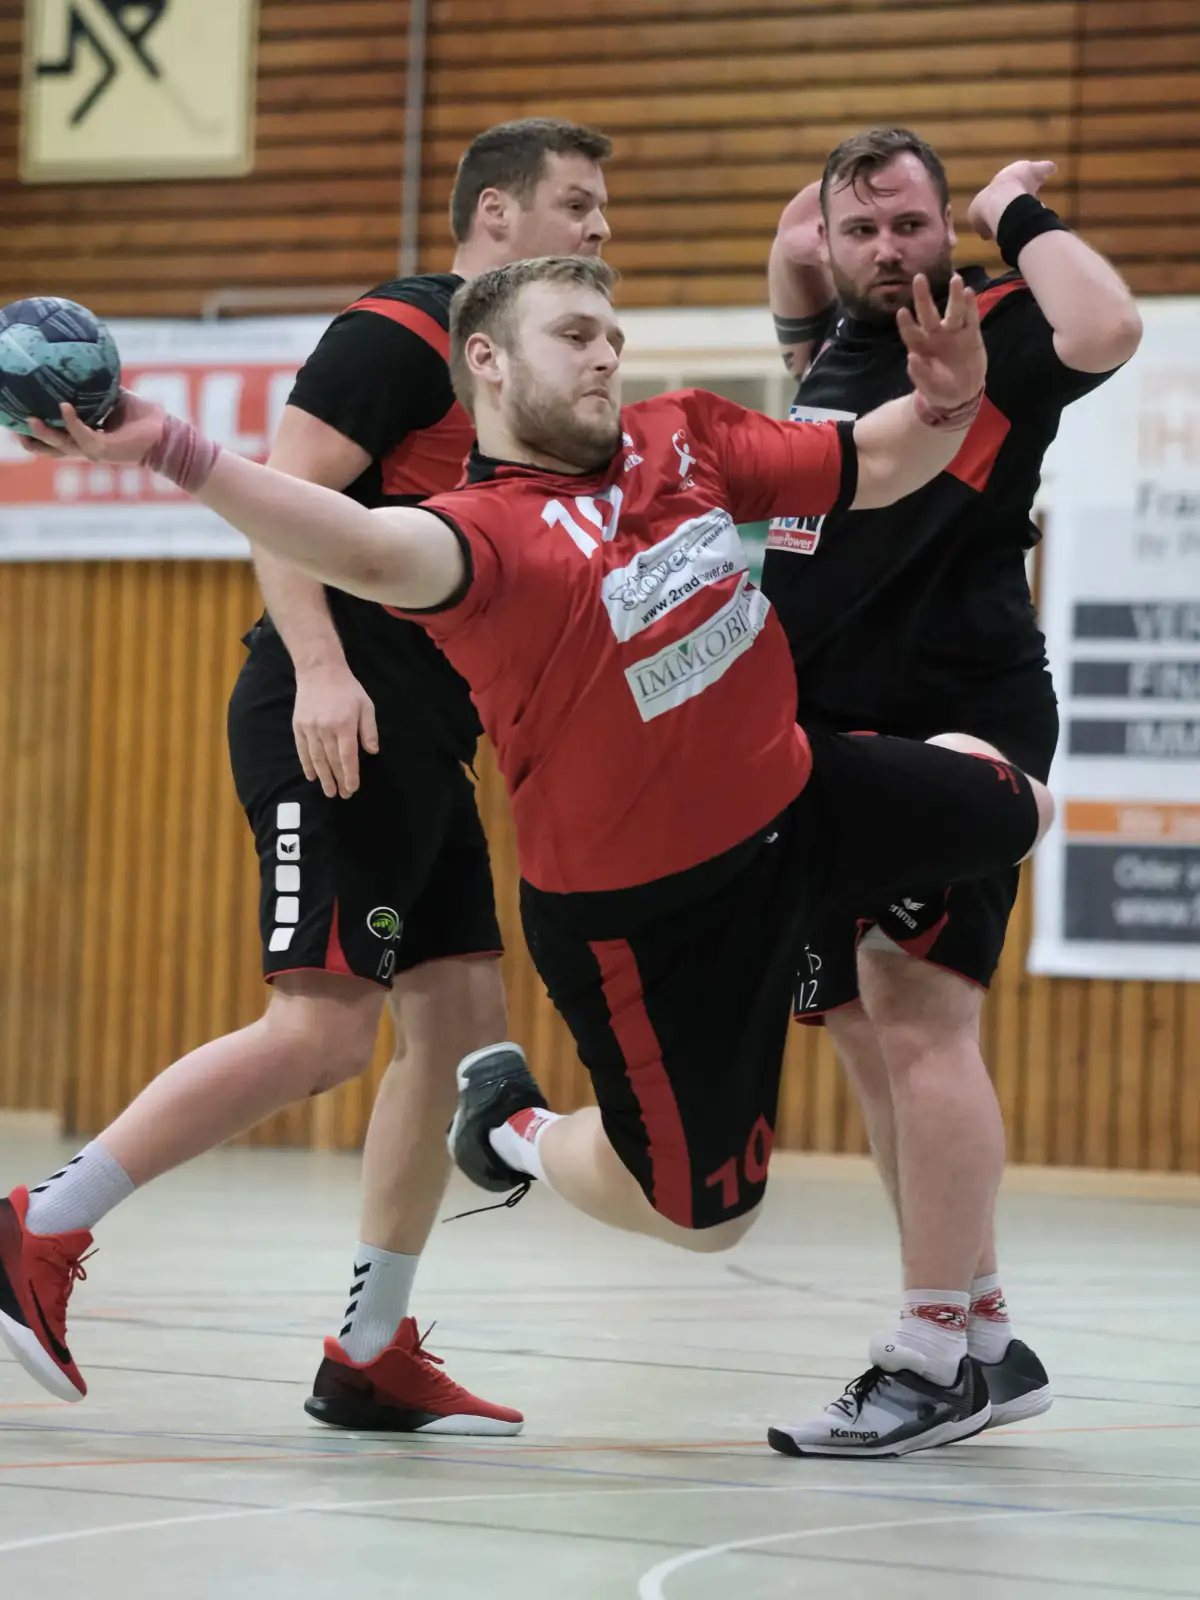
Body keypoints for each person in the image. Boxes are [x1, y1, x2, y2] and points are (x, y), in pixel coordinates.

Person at [11, 253, 1055, 1459]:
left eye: (613, 332)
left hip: (801, 798)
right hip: (654, 914)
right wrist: (170, 448)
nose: (606, 352)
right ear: (489, 362)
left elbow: (872, 461)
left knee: (1021, 805)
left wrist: (945, 400)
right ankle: (514, 1128)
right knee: (707, 1218)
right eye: (574, 333)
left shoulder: (685, 438)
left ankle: (961, 1323)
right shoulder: (480, 537)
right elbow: (354, 542)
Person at [0, 119, 612, 1436]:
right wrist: (325, 667)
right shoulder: (401, 331)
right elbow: (280, 496)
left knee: (455, 1038)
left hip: (427, 738)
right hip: (335, 711)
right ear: (495, 215)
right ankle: (37, 1225)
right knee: (324, 1031)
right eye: (576, 203)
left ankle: (369, 1350)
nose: (599, 227)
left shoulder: (521, 383)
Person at [760, 127, 1142, 1451]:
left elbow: (1112, 324)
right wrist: (813, 236)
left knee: (923, 1019)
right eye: (861, 229)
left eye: (911, 225)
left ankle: (928, 1355)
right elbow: (795, 262)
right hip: (821, 739)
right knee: (867, 1031)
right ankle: (983, 1336)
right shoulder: (831, 348)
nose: (887, 250)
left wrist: (1009, 208)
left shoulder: (996, 328)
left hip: (952, 729)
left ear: (946, 232)